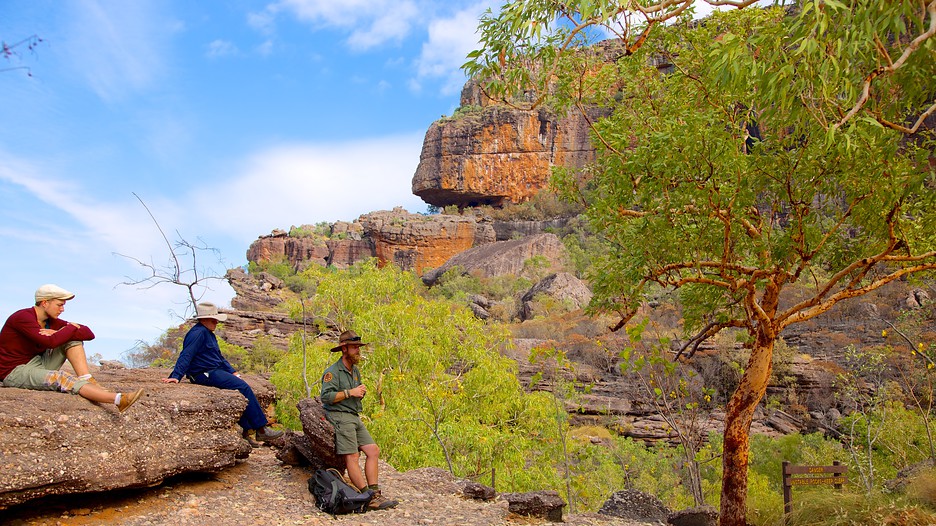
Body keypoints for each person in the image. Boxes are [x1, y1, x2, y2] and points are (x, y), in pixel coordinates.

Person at [0, 284, 144, 412]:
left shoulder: (50, 321)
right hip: (14, 372)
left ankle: (86, 379)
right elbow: (50, 342)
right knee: (62, 376)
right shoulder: (23, 317)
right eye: (59, 305)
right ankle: (118, 400)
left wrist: (59, 332)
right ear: (44, 303)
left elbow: (88, 333)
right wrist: (68, 329)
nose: (62, 309)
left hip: (37, 363)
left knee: (72, 339)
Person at [162, 302, 282, 446]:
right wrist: (176, 376)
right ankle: (261, 429)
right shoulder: (198, 333)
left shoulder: (208, 333)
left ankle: (245, 431)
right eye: (213, 319)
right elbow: (186, 354)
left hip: (213, 370)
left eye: (216, 319)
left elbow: (218, 357)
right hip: (203, 373)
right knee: (242, 387)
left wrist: (232, 371)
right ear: (203, 319)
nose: (216, 322)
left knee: (238, 389)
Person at [321, 330, 398, 511]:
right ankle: (366, 497)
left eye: (358, 347)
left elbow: (354, 394)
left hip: (354, 415)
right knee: (353, 456)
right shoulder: (332, 372)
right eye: (354, 347)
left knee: (373, 450)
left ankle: (374, 491)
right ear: (344, 349)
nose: (358, 350)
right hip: (340, 416)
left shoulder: (354, 370)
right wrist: (350, 393)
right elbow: (326, 396)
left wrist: (360, 393)